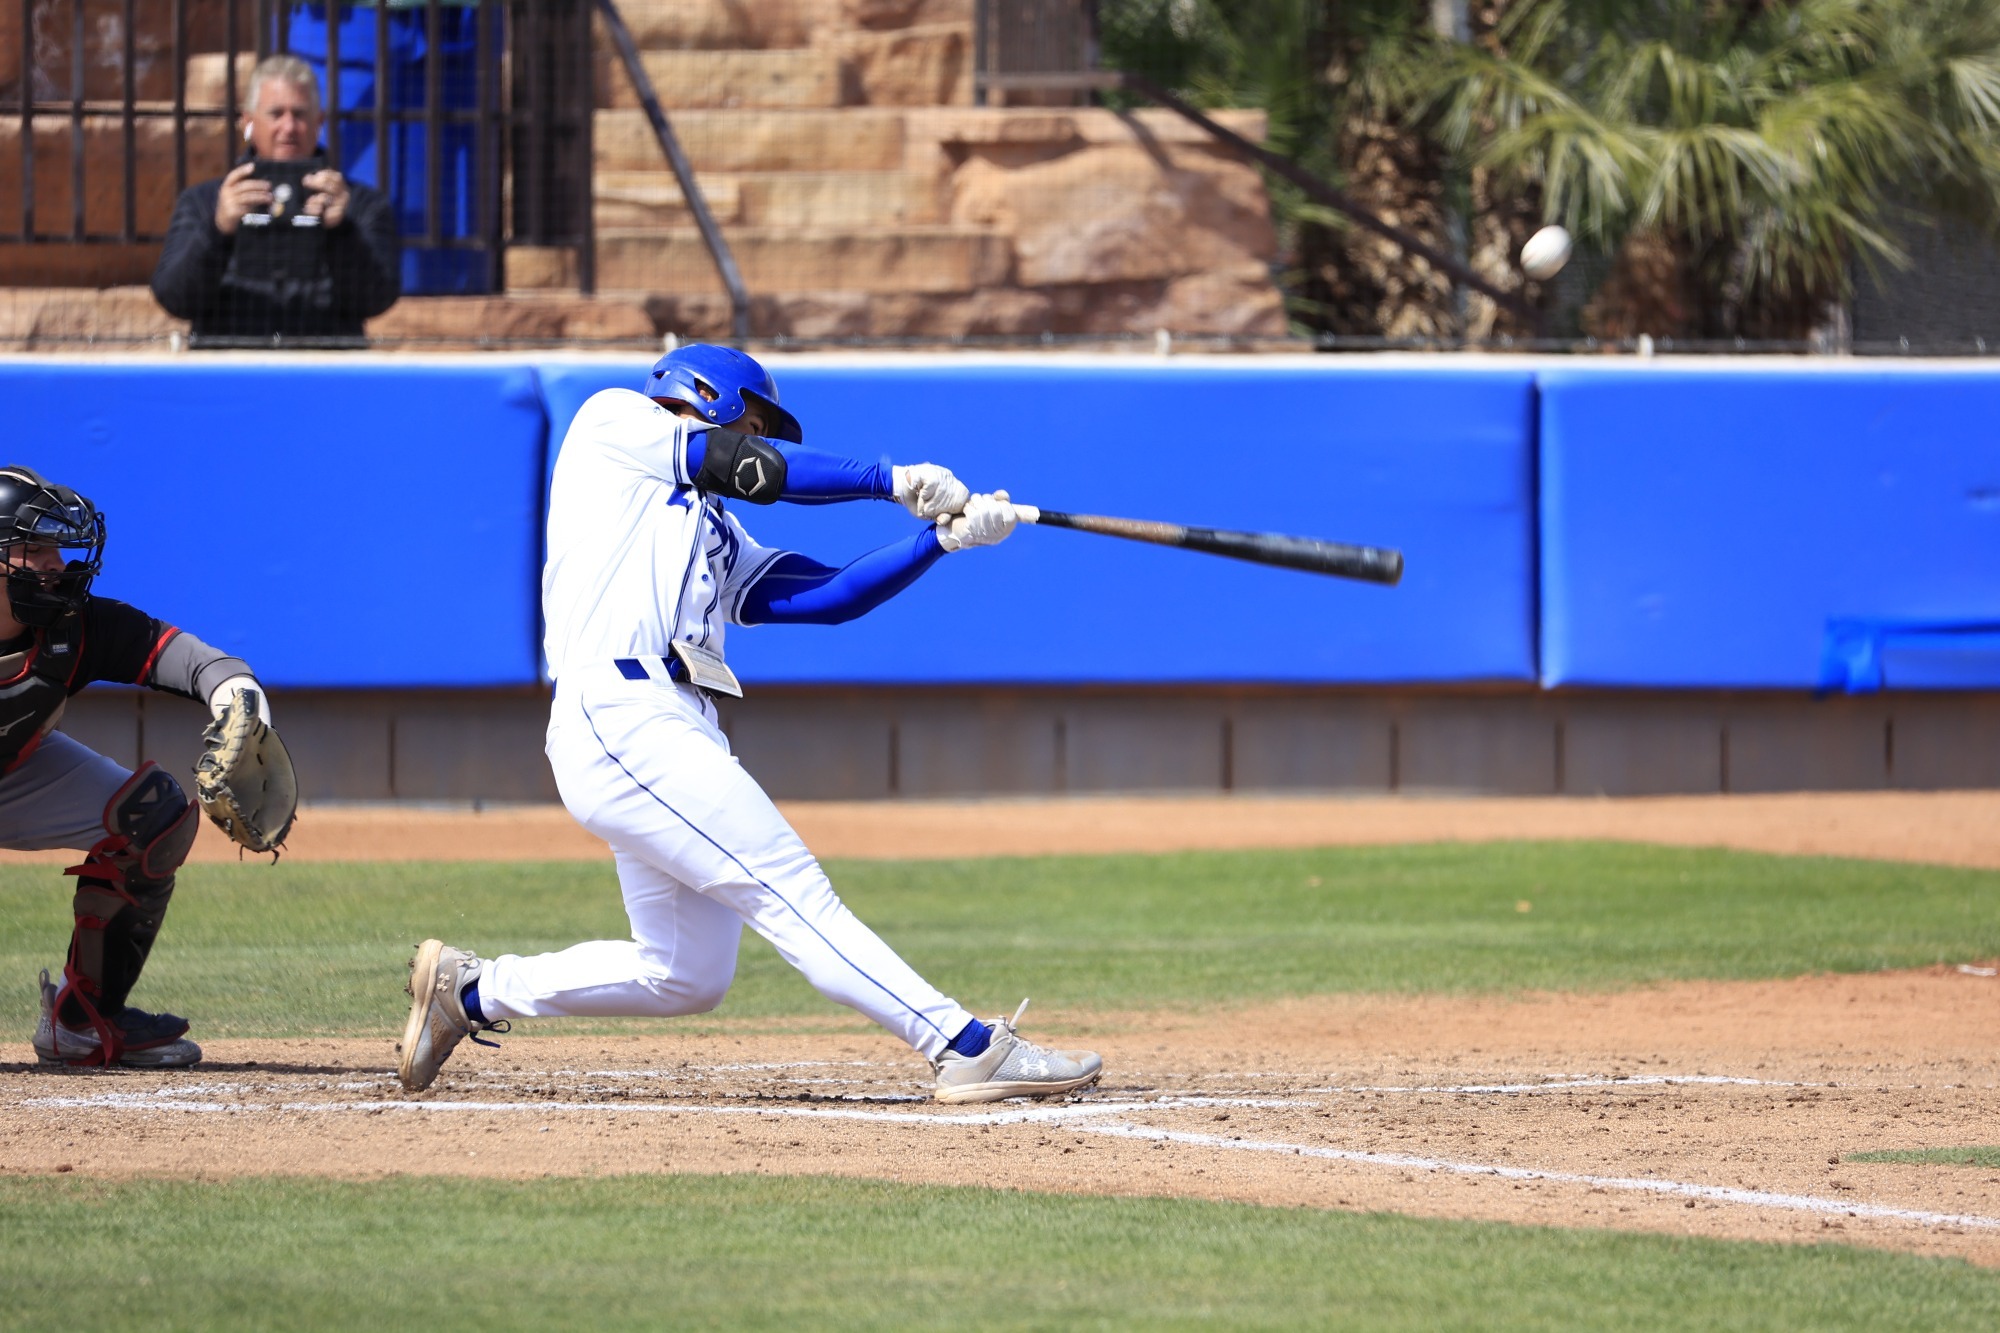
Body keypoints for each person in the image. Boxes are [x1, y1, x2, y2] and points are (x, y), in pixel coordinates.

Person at [399, 345, 1104, 1104]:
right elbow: (746, 465)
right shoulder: (615, 423)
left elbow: (825, 596)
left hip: (673, 725)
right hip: (622, 711)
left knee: (685, 973)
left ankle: (471, 992)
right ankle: (962, 1044)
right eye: (758, 420)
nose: (764, 438)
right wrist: (889, 481)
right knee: (794, 892)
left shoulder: (708, 528)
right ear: (708, 394)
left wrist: (941, 541)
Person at [0, 466, 280, 1067]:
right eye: (32, 548)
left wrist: (245, 709)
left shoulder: (73, 625)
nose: (53, 564)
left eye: (54, 547)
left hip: (10, 774)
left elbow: (199, 662)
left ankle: (81, 1019)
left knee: (154, 816)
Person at [150, 55, 400, 343]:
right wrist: (217, 231)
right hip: (231, 368)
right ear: (248, 121)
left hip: (324, 371)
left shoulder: (361, 205)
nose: (289, 127)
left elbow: (377, 300)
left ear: (319, 122)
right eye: (276, 114)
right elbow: (174, 299)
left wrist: (342, 233)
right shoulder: (203, 201)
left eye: (300, 114)